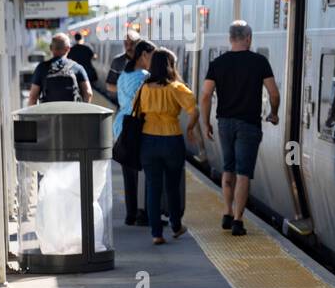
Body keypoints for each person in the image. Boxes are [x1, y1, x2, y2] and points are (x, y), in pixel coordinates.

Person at [199, 21, 279, 237]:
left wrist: (205, 122)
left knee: (228, 168)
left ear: (230, 38)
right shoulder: (259, 62)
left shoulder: (218, 63)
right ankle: (238, 220)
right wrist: (274, 112)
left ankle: (226, 211)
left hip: (224, 122)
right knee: (243, 173)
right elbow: (273, 93)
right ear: (248, 38)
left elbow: (206, 95)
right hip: (249, 124)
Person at [136, 47, 199, 244]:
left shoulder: (144, 88)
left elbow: (136, 113)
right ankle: (176, 225)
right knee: (172, 186)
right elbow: (194, 110)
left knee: (153, 187)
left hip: (148, 140)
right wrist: (190, 128)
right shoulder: (176, 88)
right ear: (170, 65)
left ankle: (156, 234)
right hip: (172, 139)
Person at [113, 39, 155, 226]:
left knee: (129, 172)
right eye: (151, 56)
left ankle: (130, 214)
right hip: (138, 126)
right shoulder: (145, 76)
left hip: (121, 124)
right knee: (144, 171)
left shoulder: (123, 75)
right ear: (144, 55)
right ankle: (142, 213)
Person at [28, 33, 91, 105]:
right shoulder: (77, 67)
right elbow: (88, 93)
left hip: (48, 114)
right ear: (68, 49)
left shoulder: (42, 67)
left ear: (51, 48)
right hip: (72, 114)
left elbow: (33, 97)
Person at [105, 30, 141, 106]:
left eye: (132, 44)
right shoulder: (117, 61)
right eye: (126, 44)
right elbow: (109, 85)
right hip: (123, 105)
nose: (128, 47)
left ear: (138, 44)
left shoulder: (144, 61)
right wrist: (127, 90)